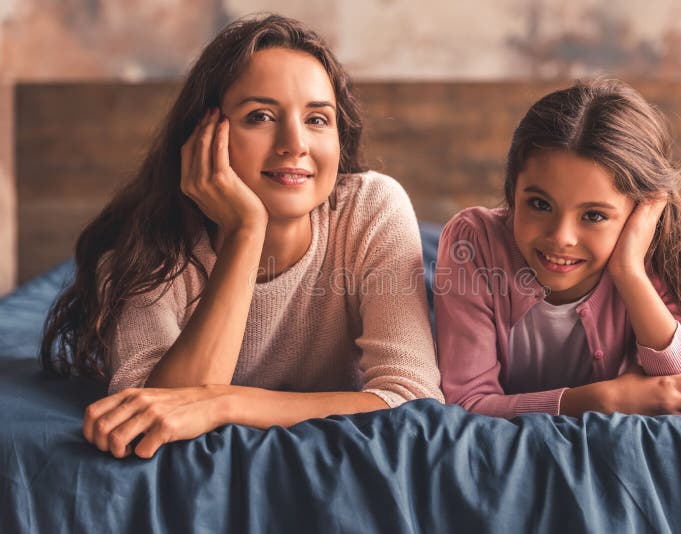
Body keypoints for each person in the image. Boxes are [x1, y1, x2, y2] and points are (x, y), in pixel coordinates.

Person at [40, 14, 443, 459]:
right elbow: (150, 421)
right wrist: (245, 232)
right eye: (261, 116)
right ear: (202, 137)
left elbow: (411, 400)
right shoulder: (145, 253)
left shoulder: (372, 208)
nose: (295, 143)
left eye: (317, 119)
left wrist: (226, 403)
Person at [434, 78, 681, 418]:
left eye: (593, 215)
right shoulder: (474, 242)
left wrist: (629, 272)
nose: (562, 236)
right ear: (512, 191)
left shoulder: (648, 256)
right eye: (539, 204)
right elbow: (465, 405)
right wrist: (601, 401)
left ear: (640, 213)